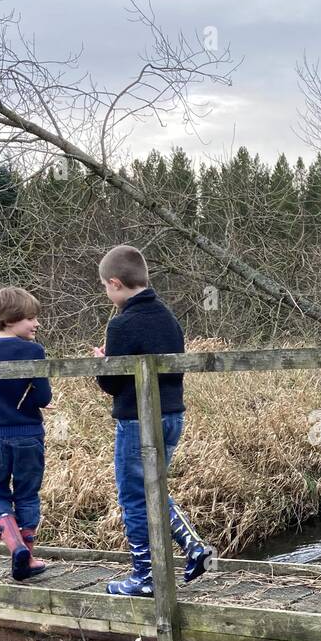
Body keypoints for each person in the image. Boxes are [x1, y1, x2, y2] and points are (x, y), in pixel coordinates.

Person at [93, 244, 213, 596]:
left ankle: (145, 579)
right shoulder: (168, 317)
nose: (105, 292)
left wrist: (103, 363)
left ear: (115, 283)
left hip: (137, 420)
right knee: (153, 488)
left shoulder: (122, 324)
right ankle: (195, 549)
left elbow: (113, 385)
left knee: (134, 496)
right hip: (173, 415)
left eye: (104, 286)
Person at [0, 286, 51, 581]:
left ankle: (15, 546)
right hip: (28, 433)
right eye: (31, 318)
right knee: (27, 493)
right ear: (10, 319)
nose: (37, 324)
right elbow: (43, 396)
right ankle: (27, 554)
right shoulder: (34, 351)